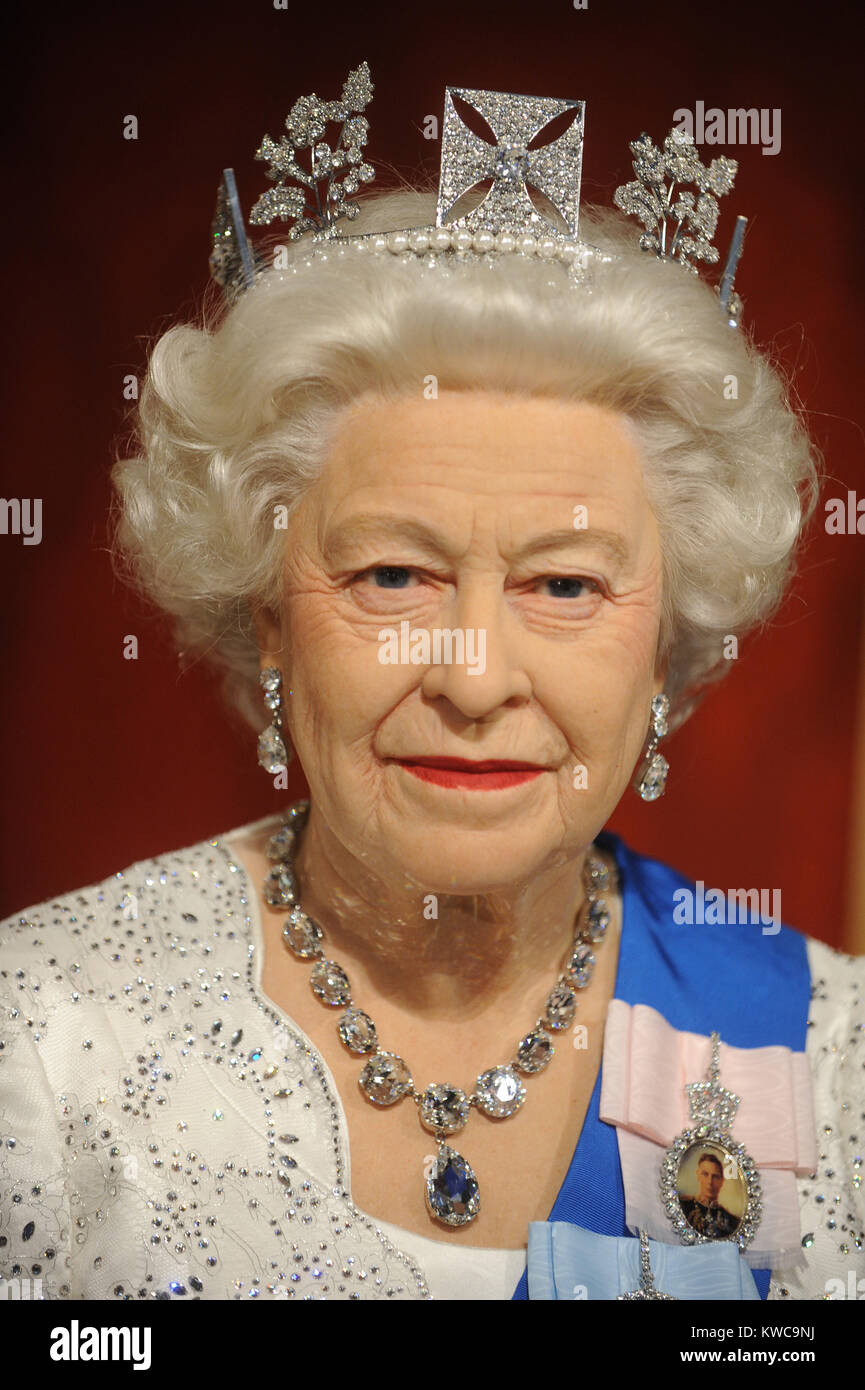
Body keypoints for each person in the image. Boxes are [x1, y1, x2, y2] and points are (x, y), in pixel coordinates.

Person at [1, 65, 862, 1302]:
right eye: (393, 574)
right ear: (268, 619)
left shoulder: (835, 1065)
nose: (471, 676)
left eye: (564, 586)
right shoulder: (42, 1038)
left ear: (666, 642)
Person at [680, 1154, 741, 1240]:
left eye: (715, 1176)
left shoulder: (733, 1221)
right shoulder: (684, 1205)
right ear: (698, 1175)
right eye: (705, 1174)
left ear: (722, 1181)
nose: (710, 1182)